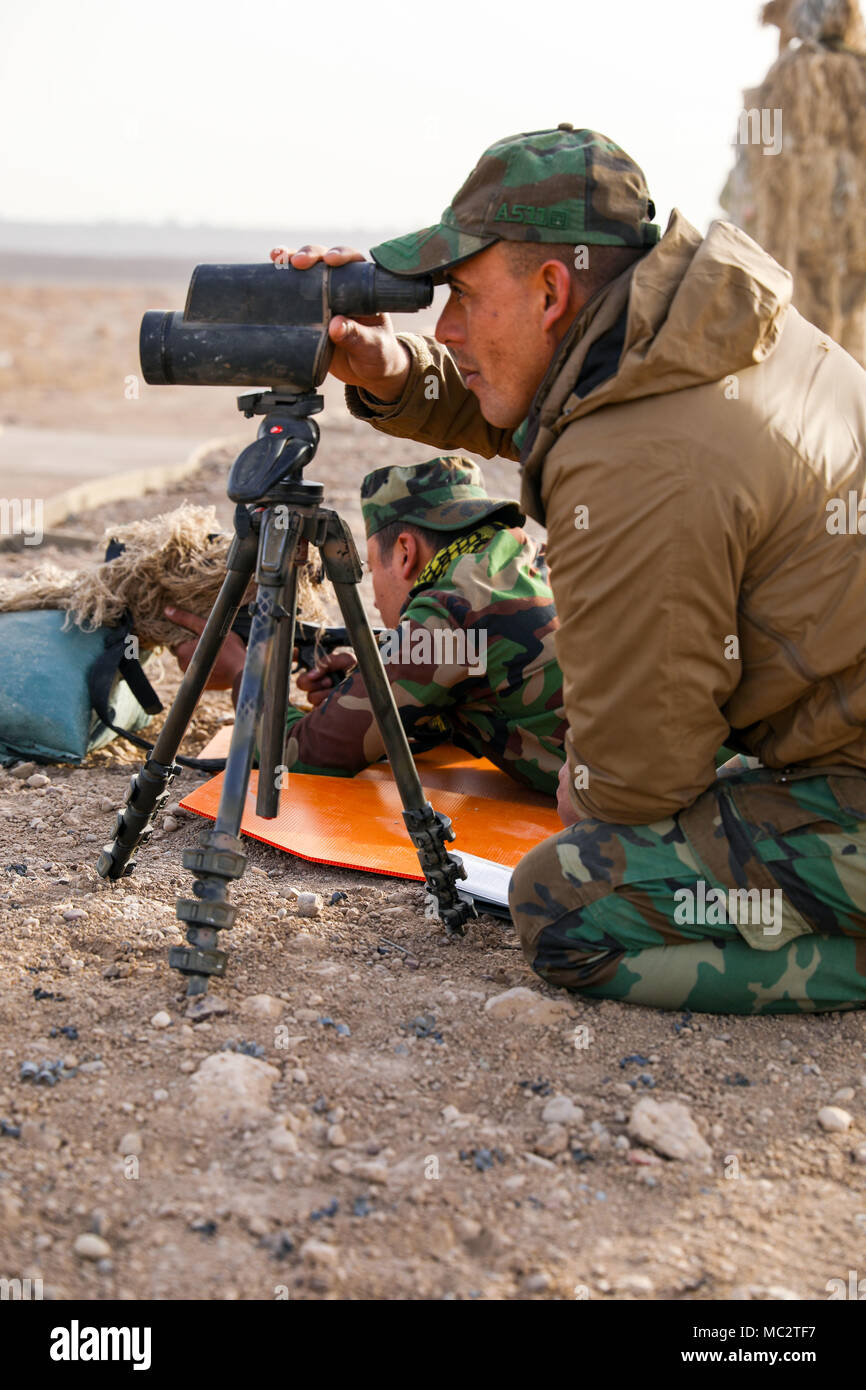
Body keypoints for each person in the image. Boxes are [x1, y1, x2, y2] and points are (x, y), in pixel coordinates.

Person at [269, 123, 866, 1014]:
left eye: (464, 298)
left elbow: (635, 787)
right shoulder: (711, 338)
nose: (449, 329)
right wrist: (391, 367)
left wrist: (584, 781)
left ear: (552, 290)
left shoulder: (640, 456)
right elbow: (540, 409)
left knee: (564, 897)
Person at [167, 455, 566, 795]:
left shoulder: (452, 610)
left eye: (372, 568)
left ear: (406, 552)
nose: (373, 598)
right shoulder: (533, 560)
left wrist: (241, 670)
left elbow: (297, 758)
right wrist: (368, 674)